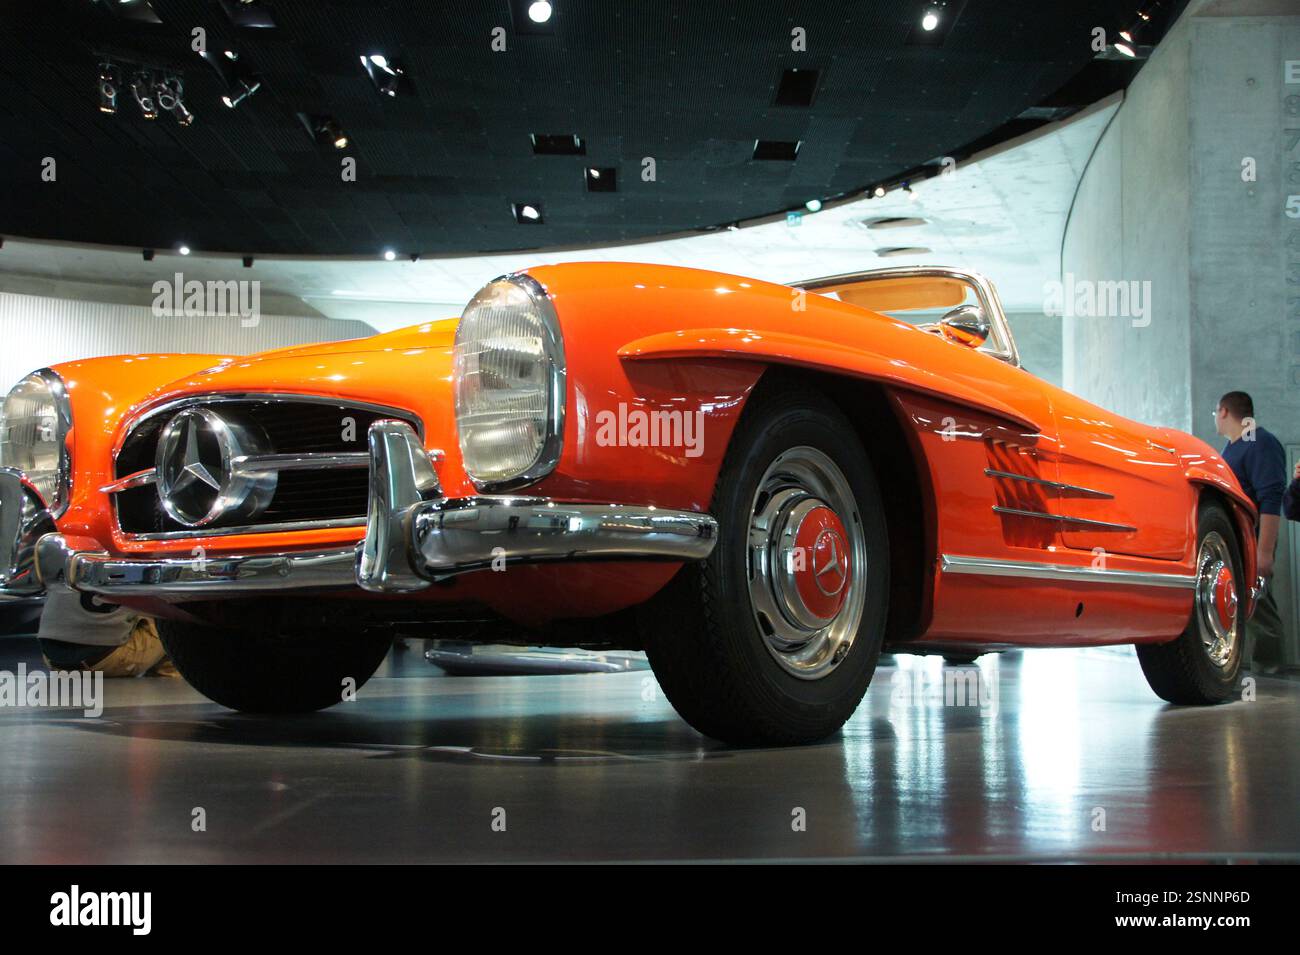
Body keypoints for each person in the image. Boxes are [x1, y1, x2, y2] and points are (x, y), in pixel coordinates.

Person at [1215, 391, 1285, 674]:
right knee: (1245, 601)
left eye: (1215, 415)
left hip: (1252, 541)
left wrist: (1264, 551)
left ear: (1223, 412)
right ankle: (1252, 665)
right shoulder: (1233, 449)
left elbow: (1271, 497)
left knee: (1259, 604)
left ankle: (1269, 668)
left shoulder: (1260, 443)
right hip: (1237, 542)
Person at [37, 589, 177, 678]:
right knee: (180, 615)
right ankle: (170, 680)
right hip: (105, 660)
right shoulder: (135, 552)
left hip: (54, 660)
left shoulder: (69, 547)